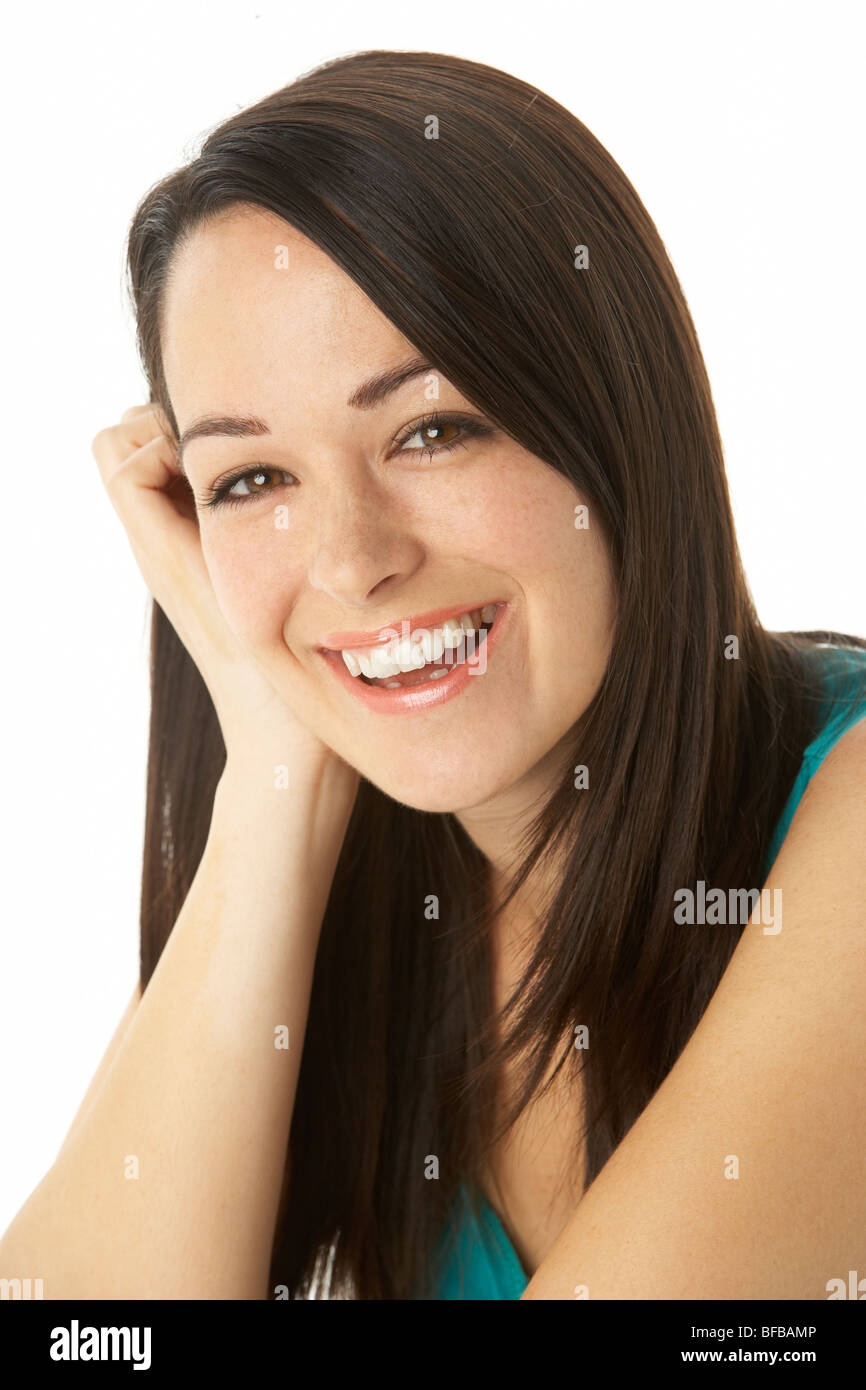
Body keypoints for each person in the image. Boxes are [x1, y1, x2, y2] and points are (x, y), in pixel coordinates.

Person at [2, 49, 865, 1301]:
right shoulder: (379, 909)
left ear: (615, 418)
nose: (352, 562)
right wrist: (276, 771)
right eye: (251, 480)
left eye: (432, 428)